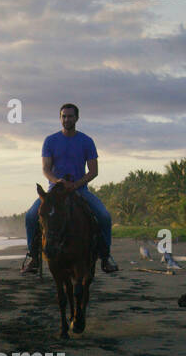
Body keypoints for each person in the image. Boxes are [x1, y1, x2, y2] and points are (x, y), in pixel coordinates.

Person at [20, 103, 119, 275]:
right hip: (54, 191)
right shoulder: (50, 140)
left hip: (79, 190)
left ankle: (106, 256)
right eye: (64, 116)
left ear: (77, 118)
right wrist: (57, 181)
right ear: (60, 118)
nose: (67, 119)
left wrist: (76, 184)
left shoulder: (86, 141)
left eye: (70, 116)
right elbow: (45, 168)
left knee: (104, 216)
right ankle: (33, 256)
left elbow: (94, 171)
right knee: (30, 216)